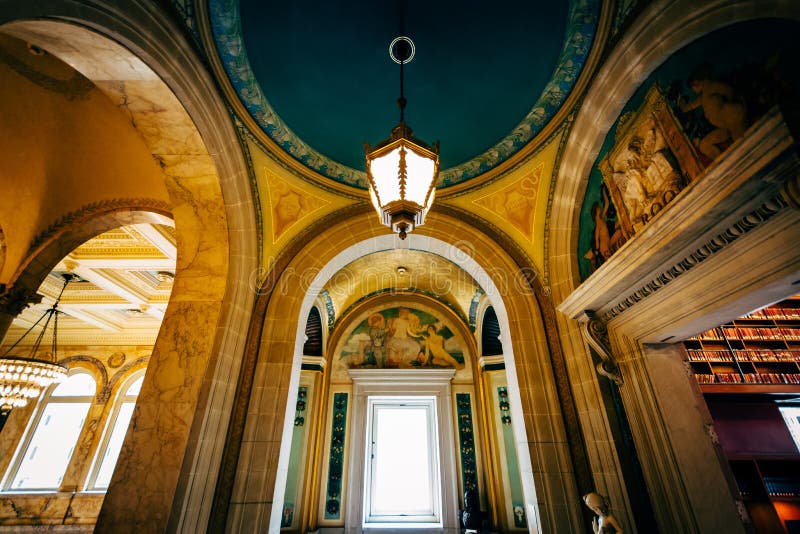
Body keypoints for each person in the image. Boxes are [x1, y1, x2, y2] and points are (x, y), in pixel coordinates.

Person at [678, 63, 748, 159]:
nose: (693, 90)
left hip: (733, 120)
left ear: (698, 82)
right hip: (724, 127)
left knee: (744, 147)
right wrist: (681, 102)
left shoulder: (712, 86)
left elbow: (730, 91)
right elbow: (689, 107)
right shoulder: (703, 97)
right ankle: (722, 160)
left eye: (693, 87)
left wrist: (731, 107)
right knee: (704, 145)